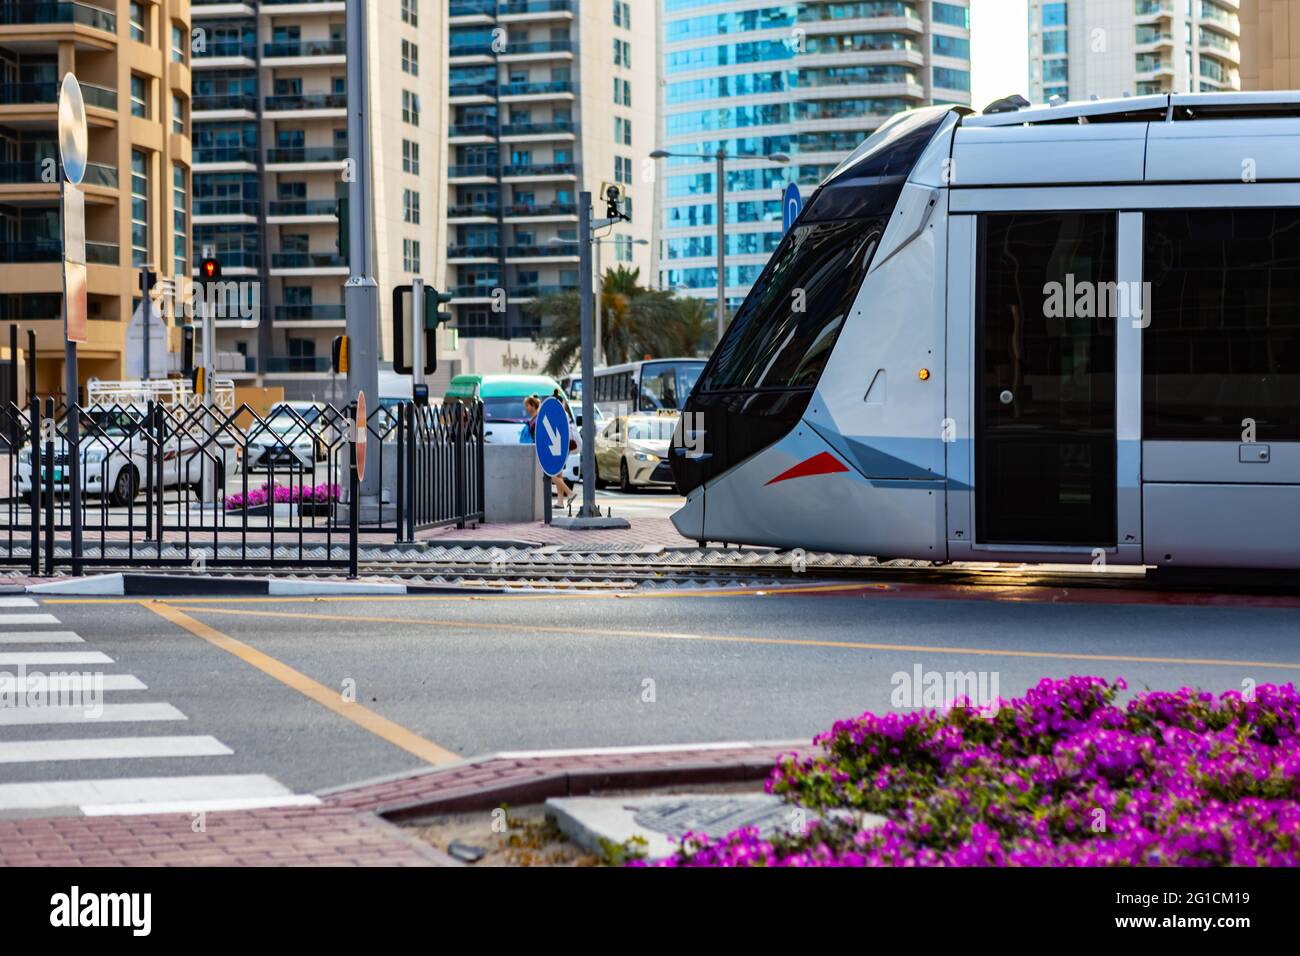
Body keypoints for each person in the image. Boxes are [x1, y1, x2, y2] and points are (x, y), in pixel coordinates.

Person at [521, 394, 573, 508]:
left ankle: (569, 492)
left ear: (532, 405)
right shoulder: (539, 417)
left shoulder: (537, 419)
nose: (526, 408)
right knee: (558, 475)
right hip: (555, 448)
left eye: (527, 405)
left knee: (548, 473)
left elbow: (541, 437)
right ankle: (560, 501)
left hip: (544, 450)